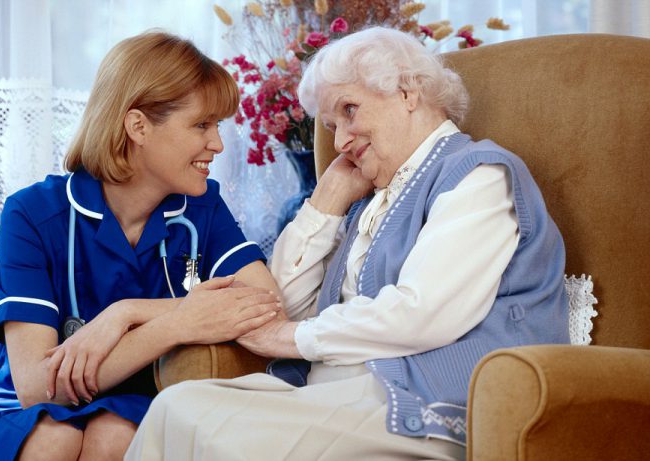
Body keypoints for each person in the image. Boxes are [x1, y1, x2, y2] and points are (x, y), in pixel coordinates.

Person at [126, 27, 570, 461]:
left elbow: (422, 313)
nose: (339, 142)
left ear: (407, 93)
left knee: (215, 432)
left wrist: (288, 338)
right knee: (174, 408)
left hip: (423, 405)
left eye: (349, 111)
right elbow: (278, 304)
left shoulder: (477, 175)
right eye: (331, 125)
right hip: (341, 398)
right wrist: (326, 203)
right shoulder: (368, 200)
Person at [0, 31, 282, 461]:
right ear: (138, 126)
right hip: (23, 412)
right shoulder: (32, 213)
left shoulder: (203, 207)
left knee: (115, 434)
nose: (217, 143)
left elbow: (266, 305)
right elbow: (37, 387)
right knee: (54, 439)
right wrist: (178, 322)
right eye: (201, 125)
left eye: (217, 126)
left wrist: (128, 314)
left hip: (134, 402)